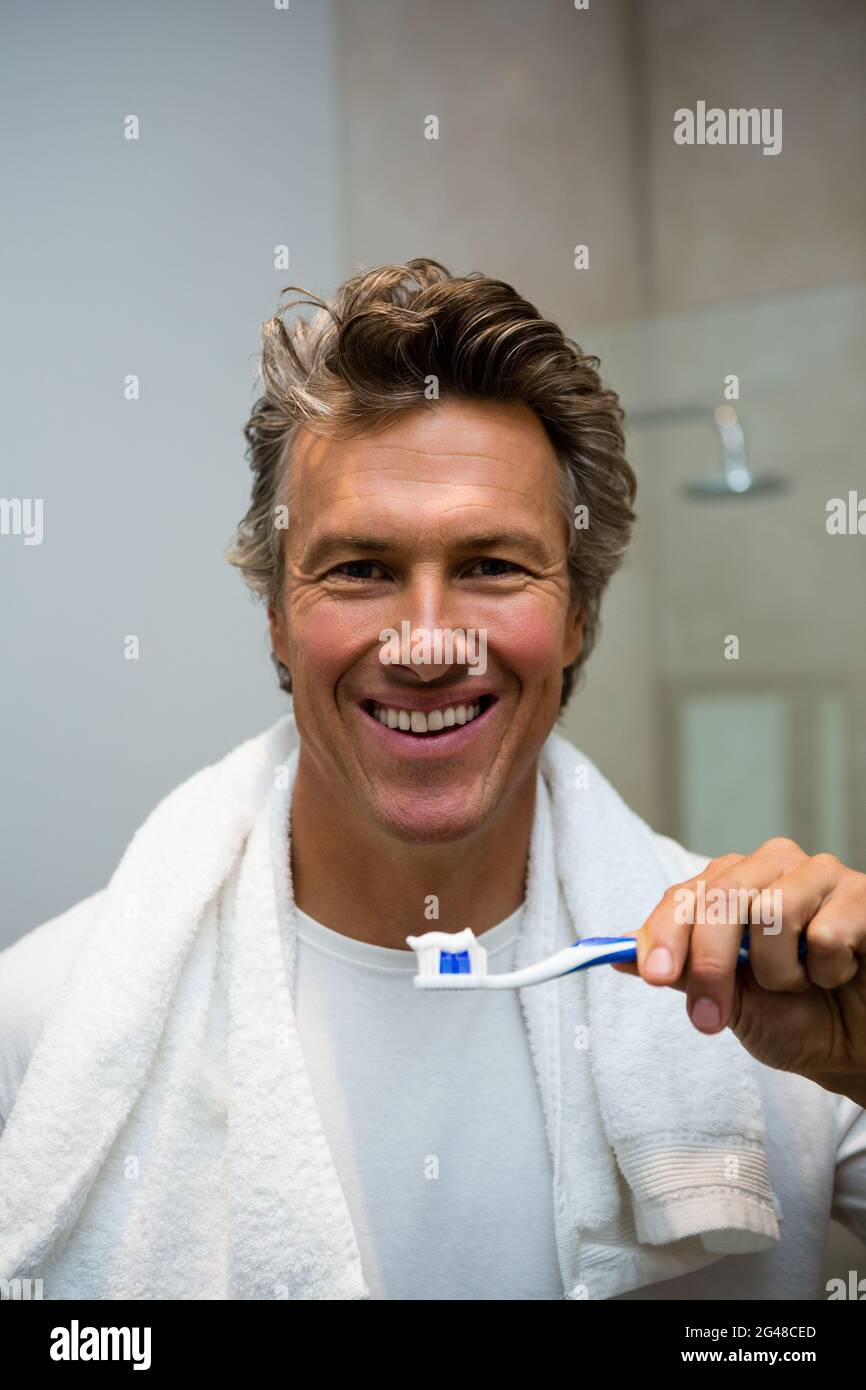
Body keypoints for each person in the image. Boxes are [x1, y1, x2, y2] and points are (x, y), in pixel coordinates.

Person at [1, 259, 864, 1300]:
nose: (423, 643)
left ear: (578, 612)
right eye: (359, 568)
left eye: (491, 566)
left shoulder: (772, 1012)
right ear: (276, 612)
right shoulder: (49, 1025)